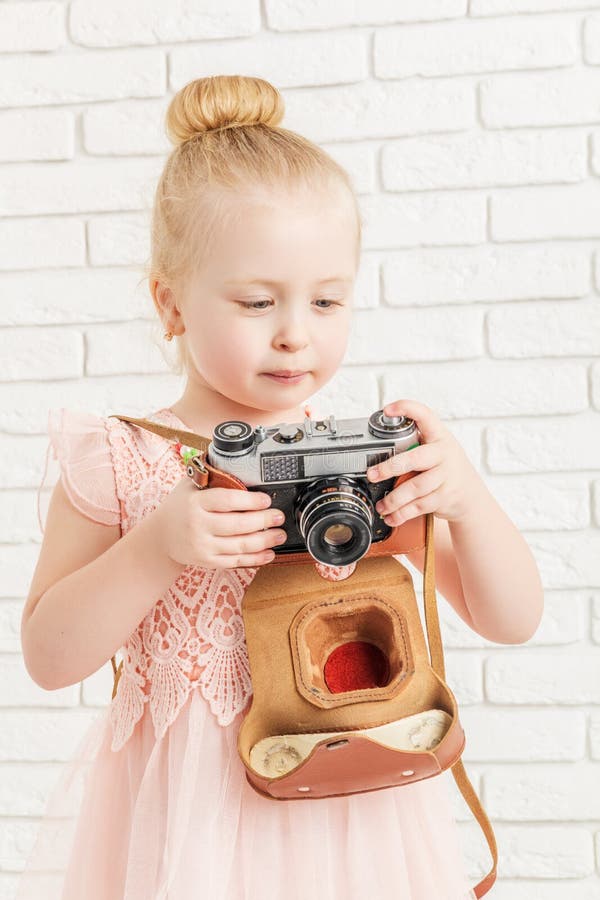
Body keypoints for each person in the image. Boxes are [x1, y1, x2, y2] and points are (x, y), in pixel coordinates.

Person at [18, 74, 544, 900]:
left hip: (354, 813)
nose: (296, 332)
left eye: (328, 300)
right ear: (171, 304)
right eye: (258, 301)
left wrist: (466, 501)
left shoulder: (360, 463)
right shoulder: (119, 456)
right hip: (189, 823)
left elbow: (512, 619)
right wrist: (158, 547)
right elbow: (49, 660)